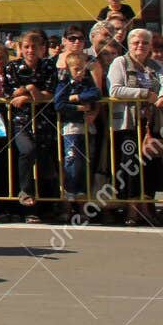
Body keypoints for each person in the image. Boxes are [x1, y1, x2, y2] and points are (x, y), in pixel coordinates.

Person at [107, 27, 163, 226]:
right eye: (136, 42)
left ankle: (148, 208)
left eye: (145, 43)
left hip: (150, 125)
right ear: (129, 44)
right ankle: (132, 210)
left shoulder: (156, 65)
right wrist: (144, 94)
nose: (140, 46)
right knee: (131, 166)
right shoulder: (120, 62)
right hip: (128, 124)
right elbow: (115, 89)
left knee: (151, 167)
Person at [2, 30, 58, 223]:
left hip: (45, 121)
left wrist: (28, 90)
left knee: (45, 162)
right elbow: (10, 94)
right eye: (26, 46)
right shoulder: (12, 66)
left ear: (42, 48)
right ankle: (25, 194)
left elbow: (49, 93)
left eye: (34, 46)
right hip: (21, 121)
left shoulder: (49, 65)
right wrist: (32, 91)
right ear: (20, 48)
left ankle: (45, 208)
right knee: (27, 151)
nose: (30, 50)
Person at [55, 52, 101, 204]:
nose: (80, 72)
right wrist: (78, 108)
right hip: (72, 127)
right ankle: (70, 189)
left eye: (82, 69)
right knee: (72, 158)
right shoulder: (64, 84)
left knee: (86, 160)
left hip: (87, 127)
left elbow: (96, 94)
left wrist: (77, 98)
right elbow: (59, 104)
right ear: (68, 69)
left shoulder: (87, 82)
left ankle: (83, 190)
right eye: (76, 69)